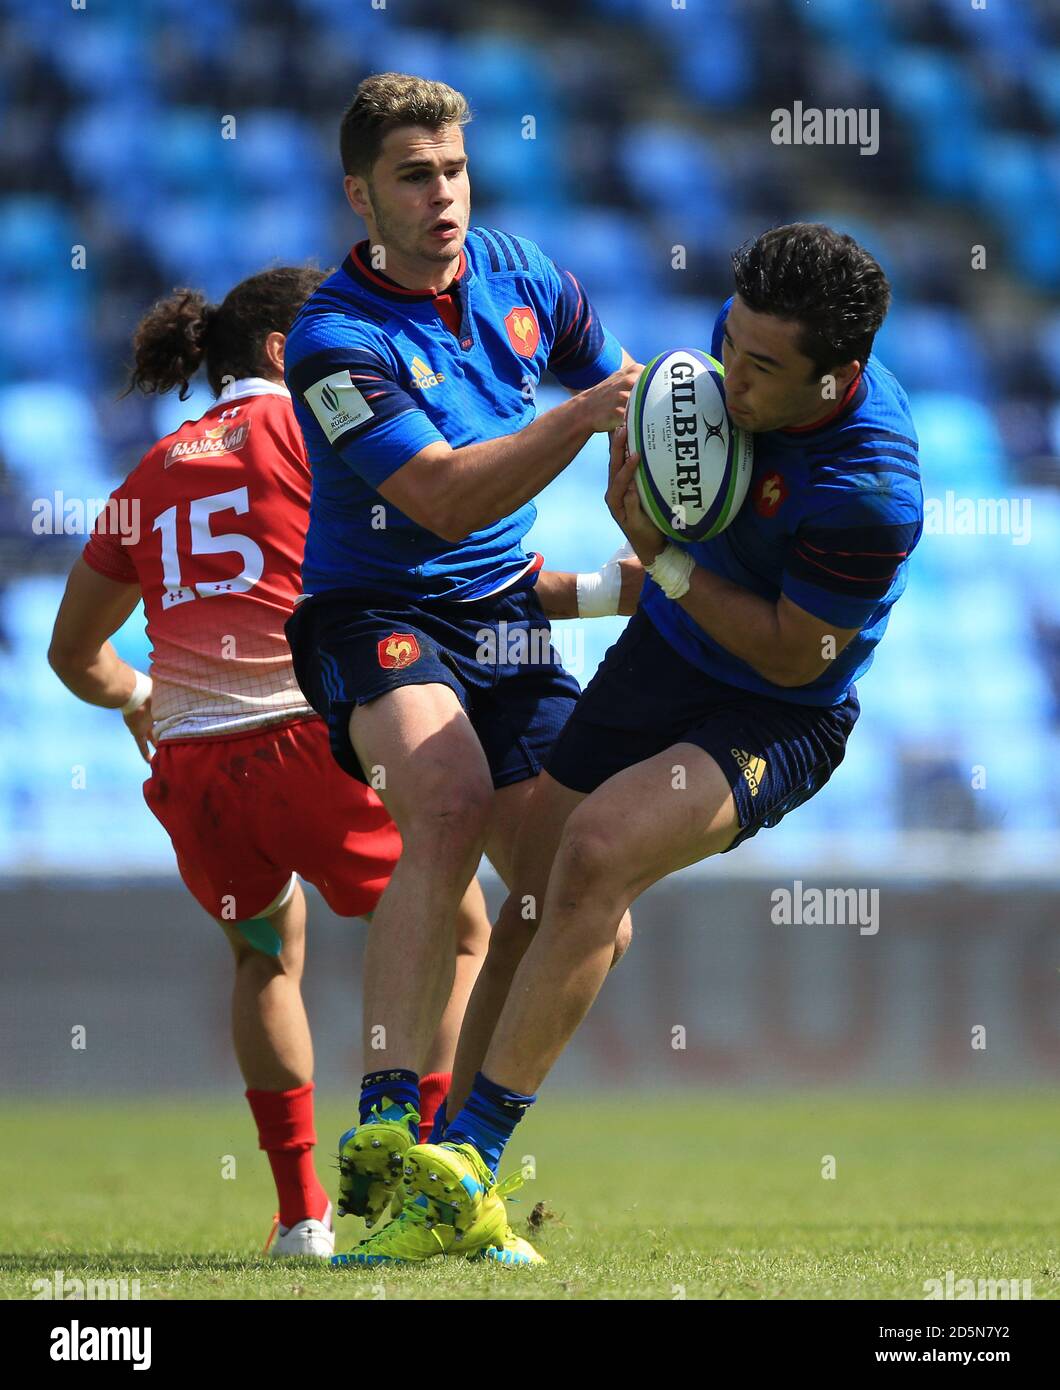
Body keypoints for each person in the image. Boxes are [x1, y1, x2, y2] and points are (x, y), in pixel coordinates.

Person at [400, 223, 925, 1246]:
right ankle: (444, 1180)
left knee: (598, 855)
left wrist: (659, 558)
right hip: (666, 654)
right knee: (537, 894)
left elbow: (790, 656)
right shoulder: (734, 362)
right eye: (728, 341)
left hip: (778, 711)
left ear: (838, 377)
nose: (730, 377)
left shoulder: (869, 488)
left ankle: (473, 1160)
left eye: (763, 368)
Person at [281, 71, 641, 1263]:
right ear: (359, 194)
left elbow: (635, 417)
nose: (443, 196)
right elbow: (436, 502)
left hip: (506, 619)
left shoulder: (528, 277)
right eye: (412, 176)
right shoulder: (334, 337)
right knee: (440, 801)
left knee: (581, 897)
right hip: (372, 609)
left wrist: (660, 561)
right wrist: (580, 419)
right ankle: (385, 1112)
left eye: (454, 170)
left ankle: (457, 1157)